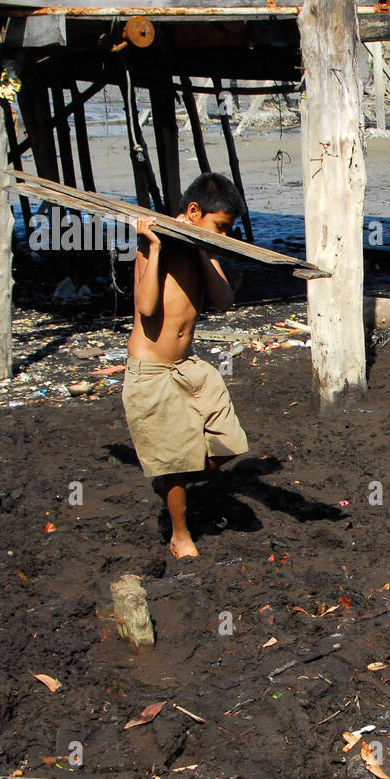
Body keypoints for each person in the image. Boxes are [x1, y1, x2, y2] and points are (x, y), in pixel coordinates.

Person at [122, 173, 249, 558]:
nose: (224, 236)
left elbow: (224, 300)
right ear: (193, 212)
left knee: (229, 443)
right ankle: (180, 533)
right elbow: (146, 308)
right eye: (220, 228)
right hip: (152, 372)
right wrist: (155, 246)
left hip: (189, 366)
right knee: (174, 459)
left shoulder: (205, 249)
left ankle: (168, 483)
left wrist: (203, 248)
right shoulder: (152, 245)